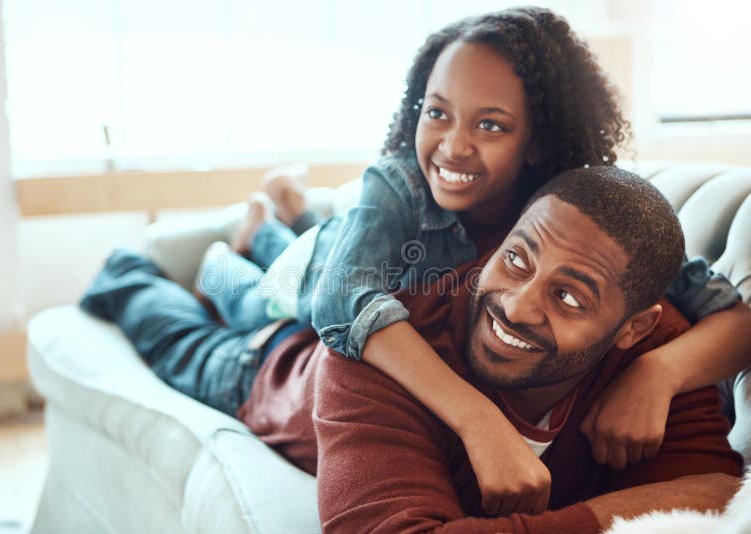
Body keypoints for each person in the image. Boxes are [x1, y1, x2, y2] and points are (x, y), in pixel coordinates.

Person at [189, 6, 751, 512]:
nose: (455, 146)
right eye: (437, 113)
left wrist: (659, 372)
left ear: (537, 139)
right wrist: (476, 417)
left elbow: (734, 316)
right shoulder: (399, 186)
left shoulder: (565, 214)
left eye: (490, 125)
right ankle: (259, 225)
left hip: (341, 261)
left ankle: (283, 211)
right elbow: (339, 303)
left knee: (289, 257)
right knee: (249, 295)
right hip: (317, 290)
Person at [81, 166, 743, 533]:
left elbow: (706, 483)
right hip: (269, 370)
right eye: (516, 260)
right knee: (217, 307)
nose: (517, 304)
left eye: (569, 297)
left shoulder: (659, 354)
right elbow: (696, 494)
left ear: (633, 328)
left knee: (281, 283)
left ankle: (268, 232)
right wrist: (612, 514)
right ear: (500, 242)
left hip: (312, 308)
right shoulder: (377, 354)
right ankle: (202, 256)